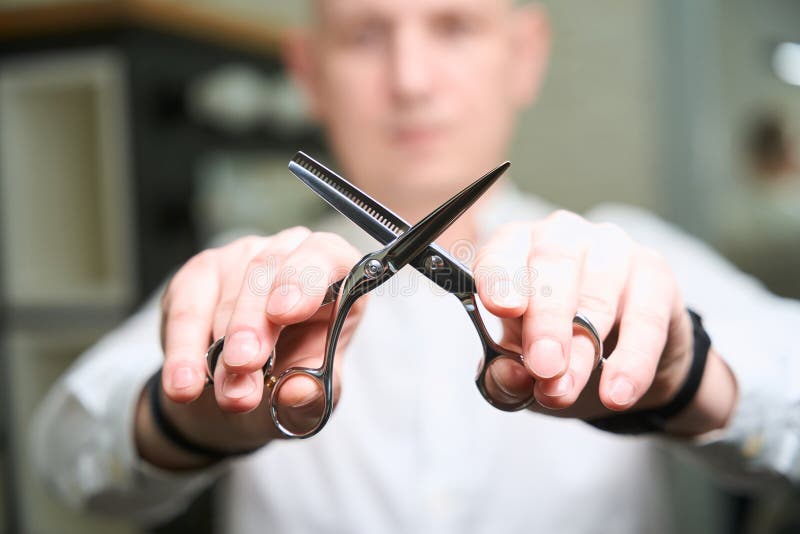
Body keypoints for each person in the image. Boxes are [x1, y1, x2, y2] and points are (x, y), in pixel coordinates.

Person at [32, 1, 800, 532]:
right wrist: (183, 420)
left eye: (454, 26)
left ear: (523, 56)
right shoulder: (247, 285)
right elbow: (65, 457)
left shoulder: (630, 262)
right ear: (308, 74)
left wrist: (688, 377)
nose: (410, 80)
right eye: (365, 34)